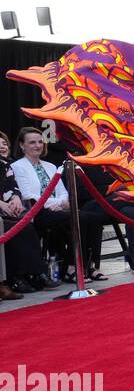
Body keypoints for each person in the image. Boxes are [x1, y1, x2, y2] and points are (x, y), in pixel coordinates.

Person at [10, 127, 74, 282]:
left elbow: (63, 191)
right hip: (36, 213)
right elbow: (29, 196)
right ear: (21, 145)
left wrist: (60, 204)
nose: (37, 145)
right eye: (32, 142)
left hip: (57, 209)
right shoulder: (17, 166)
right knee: (82, 219)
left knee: (89, 218)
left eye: (40, 142)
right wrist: (55, 204)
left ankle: (78, 266)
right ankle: (70, 269)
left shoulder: (51, 166)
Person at [77, 165, 134, 275]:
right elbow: (80, 193)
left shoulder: (107, 160)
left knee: (131, 213)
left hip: (116, 202)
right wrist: (109, 188)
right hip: (91, 204)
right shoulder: (76, 160)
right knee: (131, 198)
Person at [1, 130, 44, 298]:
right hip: (2, 212)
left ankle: (32, 273)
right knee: (9, 229)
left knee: (25, 226)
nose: (2, 147)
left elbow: (14, 188)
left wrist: (16, 198)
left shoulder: (8, 165)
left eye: (4, 144)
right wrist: (3, 204)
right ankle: (11, 279)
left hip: (11, 210)